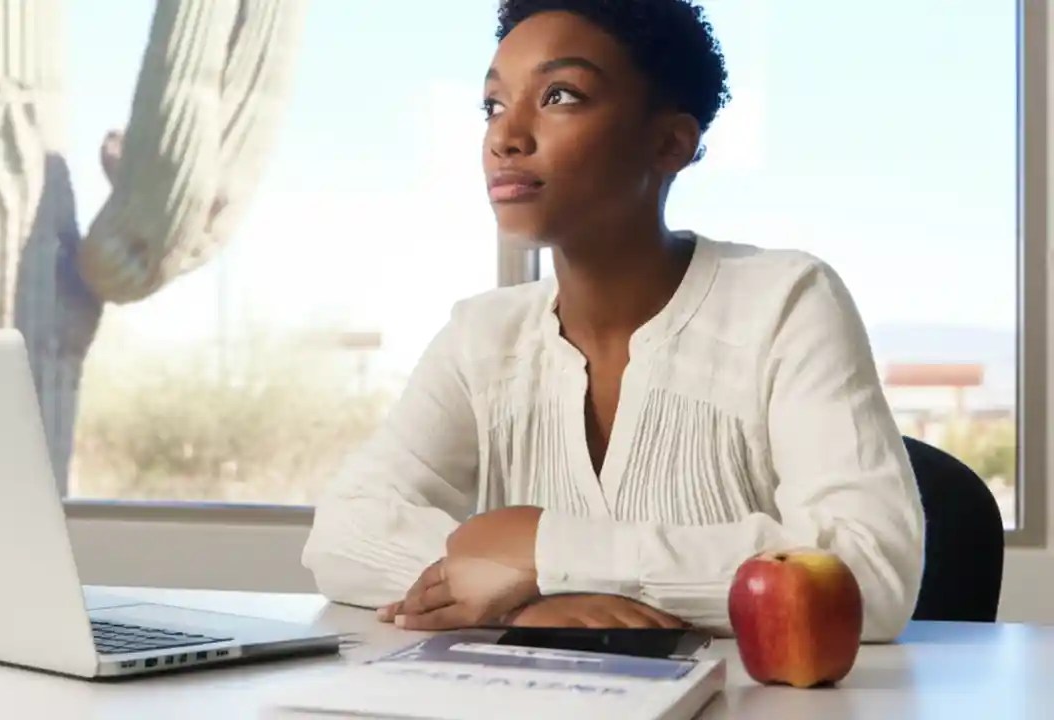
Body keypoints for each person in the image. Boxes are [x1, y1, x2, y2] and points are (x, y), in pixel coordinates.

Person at [301, 0, 924, 641]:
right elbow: (345, 531)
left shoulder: (786, 301)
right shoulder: (481, 337)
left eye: (559, 95)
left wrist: (545, 549)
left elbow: (867, 575)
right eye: (492, 105)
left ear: (669, 143)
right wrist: (519, 601)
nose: (504, 136)